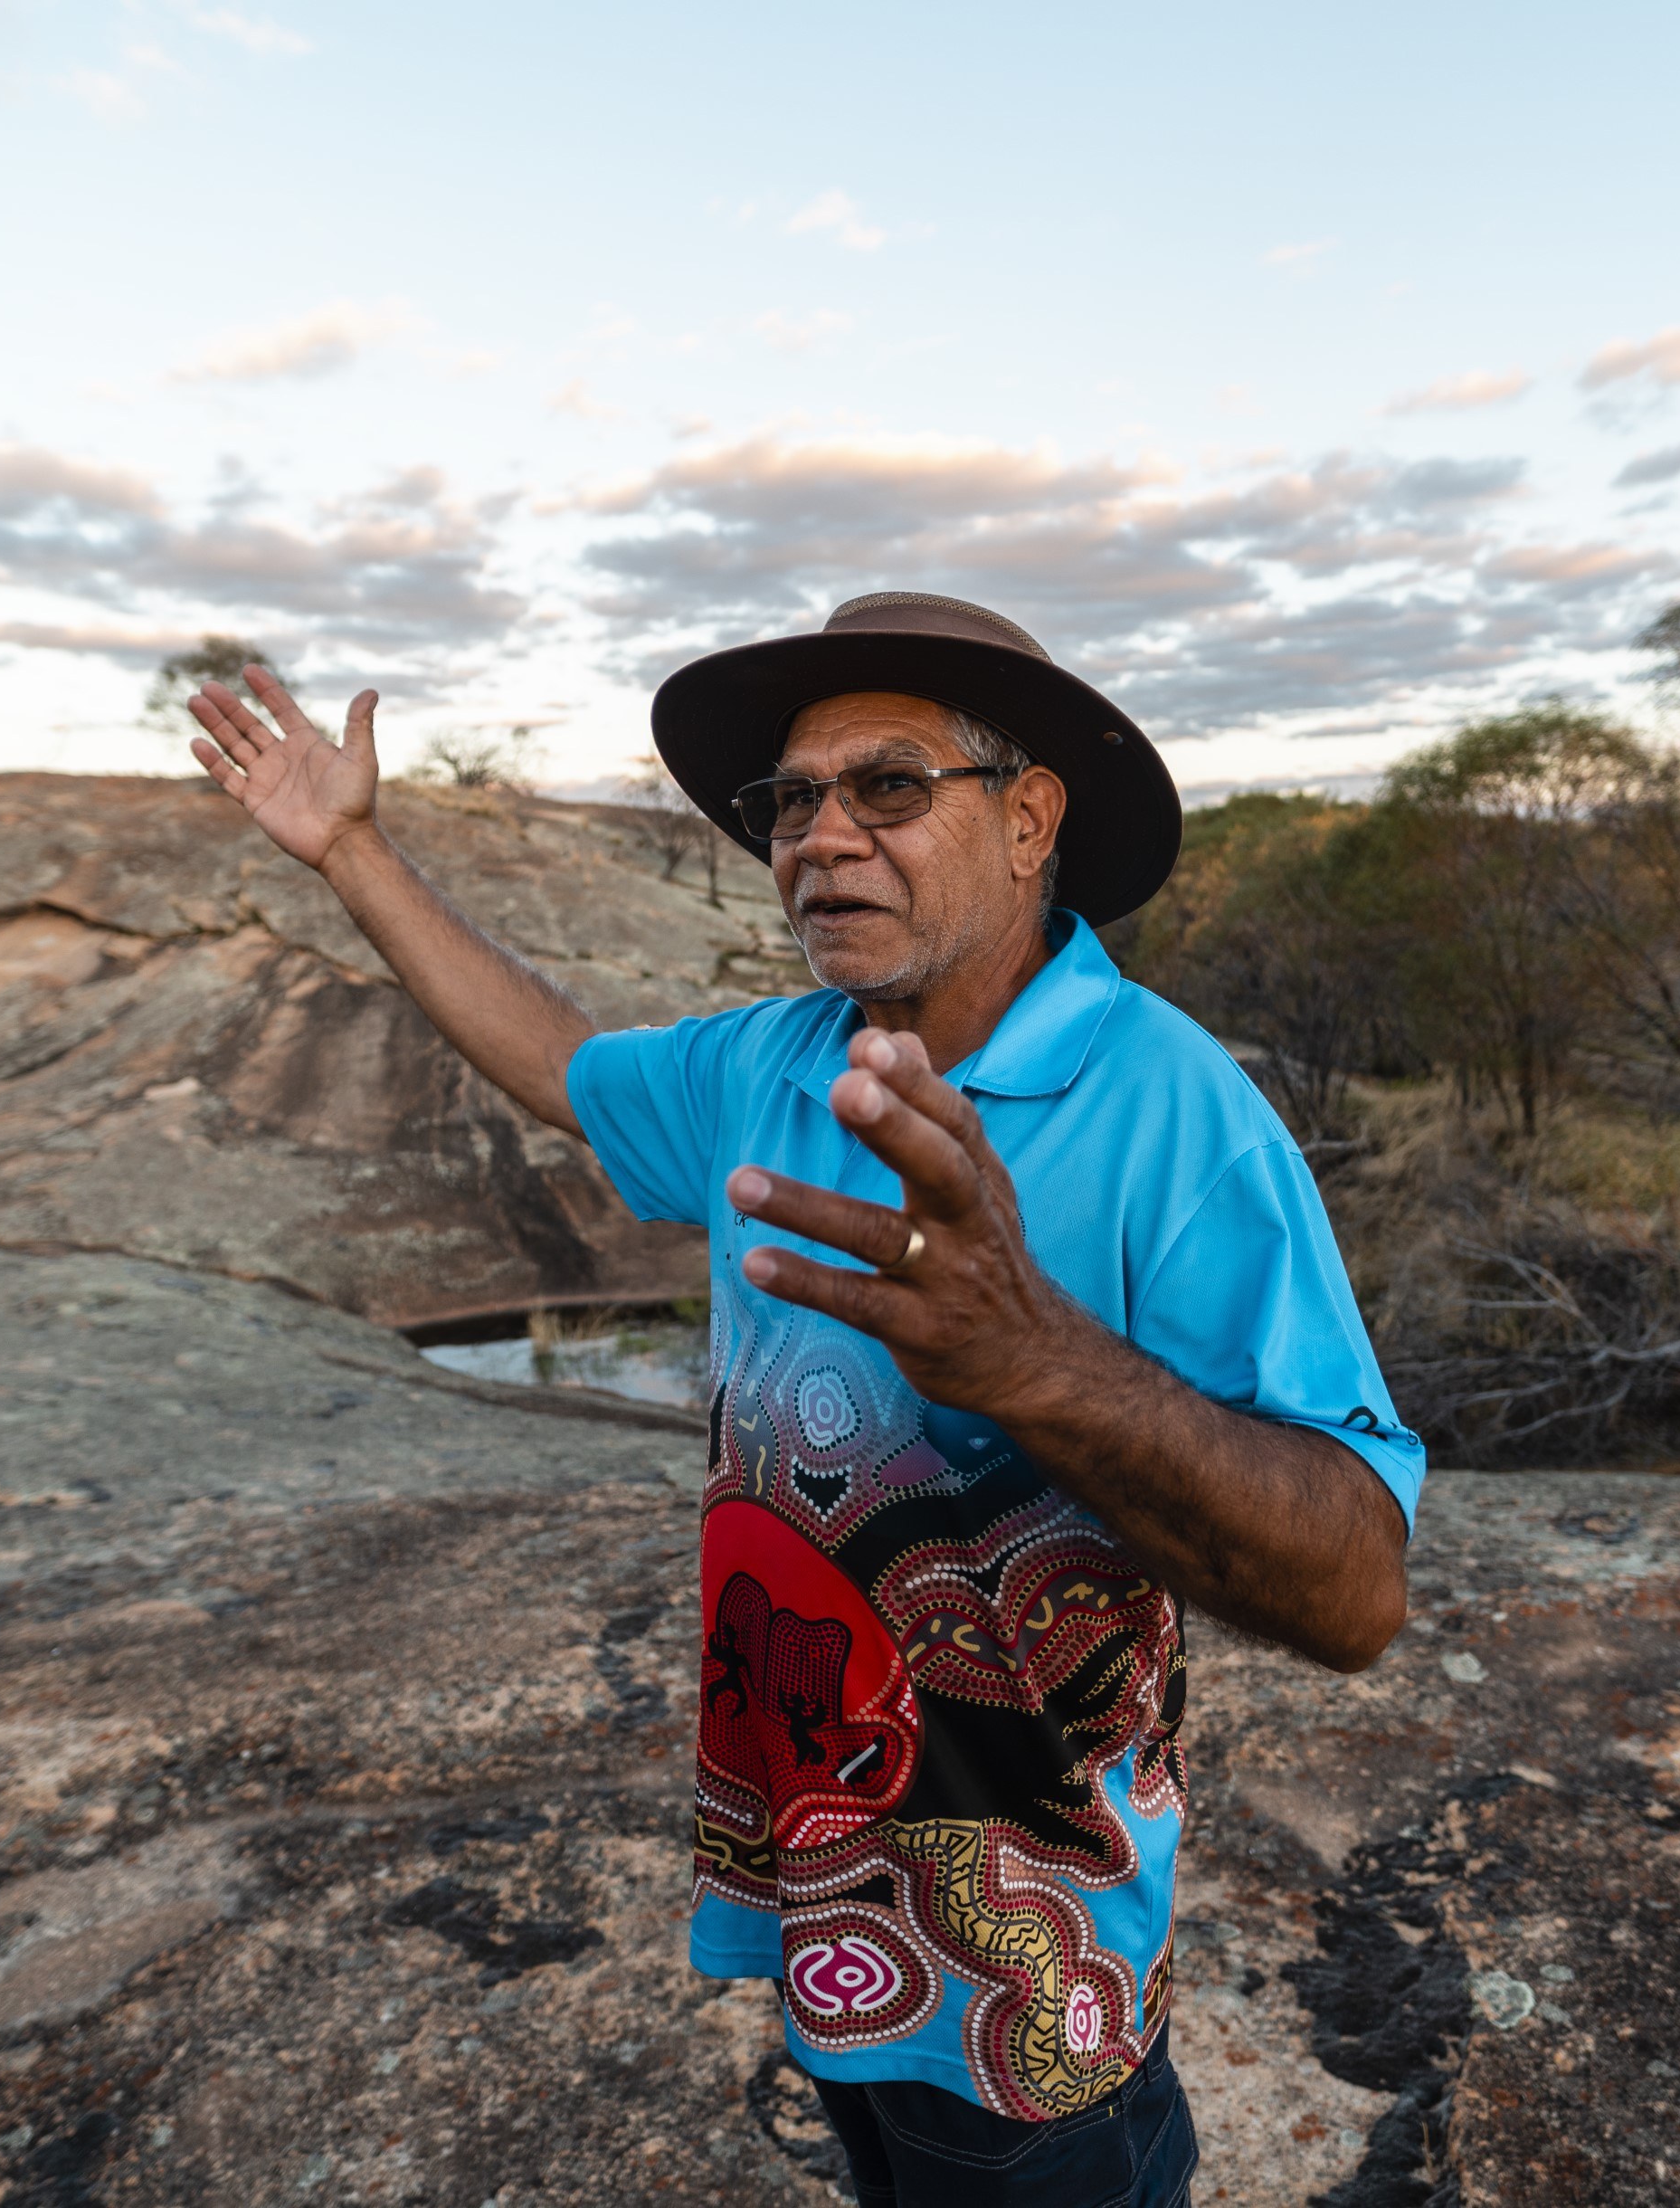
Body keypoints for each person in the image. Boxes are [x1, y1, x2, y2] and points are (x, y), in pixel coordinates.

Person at [185, 591, 1425, 2208]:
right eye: (791, 801)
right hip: (821, 1908)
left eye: (888, 787)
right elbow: (561, 1066)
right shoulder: (776, 1060)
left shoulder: (1175, 1111)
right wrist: (348, 852)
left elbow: (1354, 1589)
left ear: (1031, 814)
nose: (819, 836)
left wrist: (1033, 1357)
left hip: (1037, 1993)